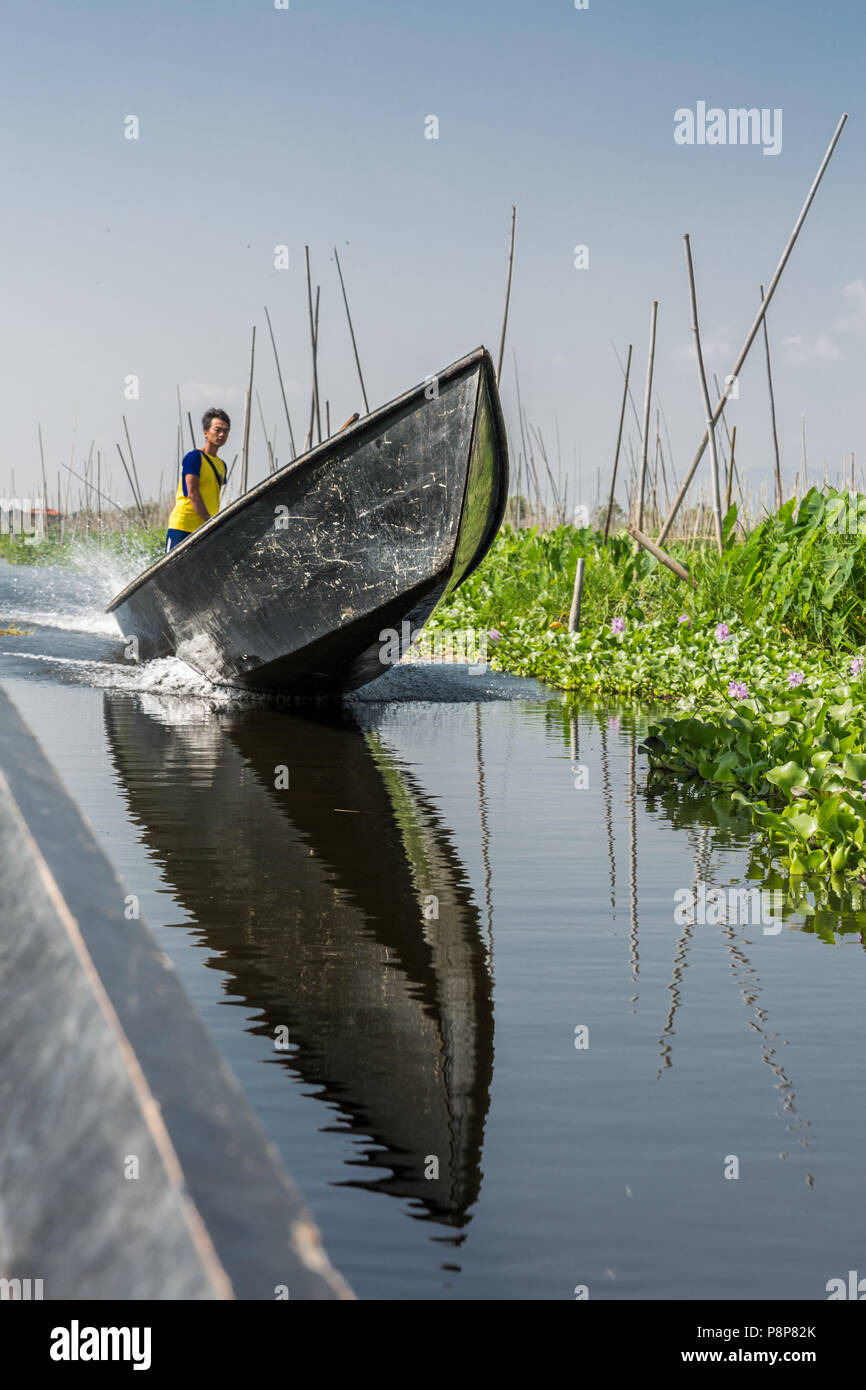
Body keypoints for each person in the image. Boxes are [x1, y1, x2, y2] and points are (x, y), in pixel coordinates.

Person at [164, 408, 230, 553]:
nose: (221, 434)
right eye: (217, 430)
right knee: (171, 569)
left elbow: (212, 495)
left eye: (225, 431)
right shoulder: (194, 457)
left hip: (205, 528)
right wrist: (209, 521)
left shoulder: (222, 465)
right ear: (206, 432)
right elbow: (192, 493)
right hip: (184, 526)